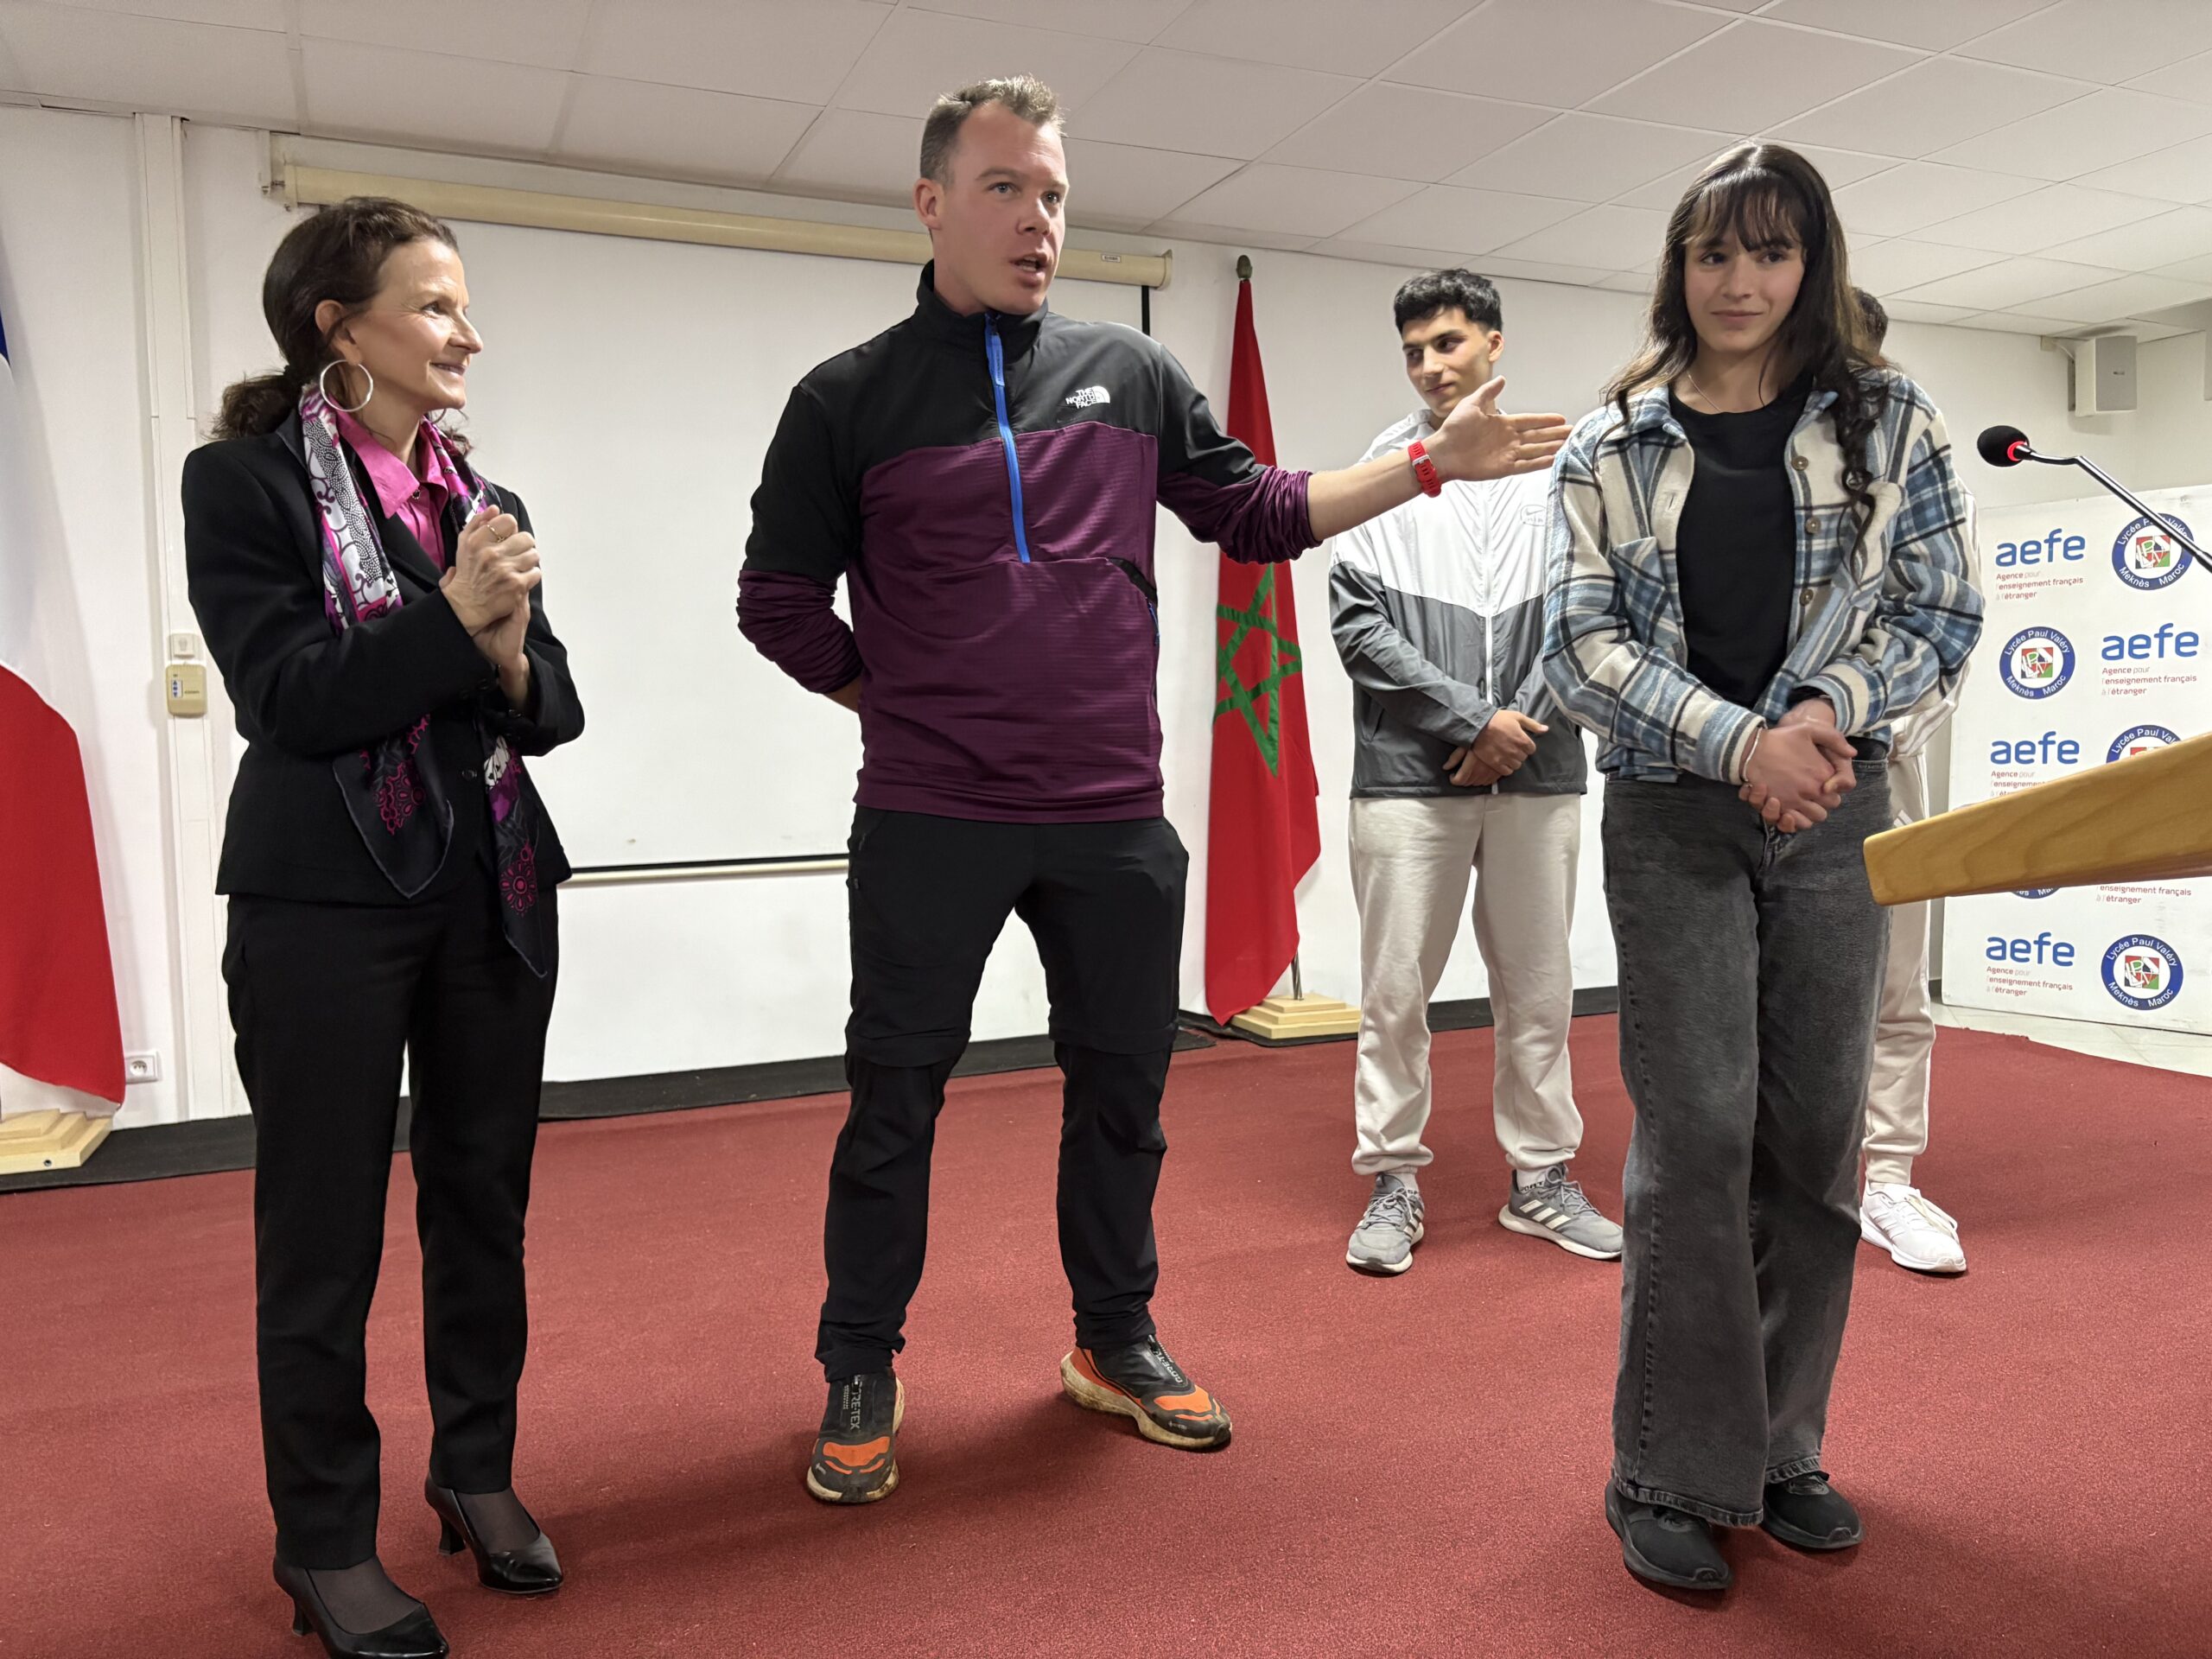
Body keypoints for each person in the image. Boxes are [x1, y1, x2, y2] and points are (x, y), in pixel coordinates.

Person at [739, 75, 1567, 1505]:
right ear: (932, 201)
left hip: (1114, 817)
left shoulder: (1132, 376)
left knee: (1123, 1098)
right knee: (895, 1103)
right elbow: (775, 600)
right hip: (932, 819)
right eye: (1005, 188)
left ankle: (1114, 1339)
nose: (1038, 220)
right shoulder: (849, 400)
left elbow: (1259, 512)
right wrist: (893, 700)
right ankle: (861, 1361)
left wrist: (1429, 467)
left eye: (1054, 193)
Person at [1542, 144, 1981, 1593]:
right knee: (1701, 1136)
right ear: (1678, 266)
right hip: (1675, 812)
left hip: (1834, 808)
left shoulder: (1886, 417)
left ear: (1814, 264)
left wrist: (1822, 722)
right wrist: (1743, 743)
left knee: (1814, 1139)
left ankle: (1784, 1447)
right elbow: (1580, 650)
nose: (1742, 281)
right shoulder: (1607, 441)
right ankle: (1667, 1466)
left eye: (1774, 252)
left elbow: (1939, 607)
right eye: (1715, 252)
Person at [185, 197, 583, 1659]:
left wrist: (508, 648)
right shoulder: (241, 484)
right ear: (336, 328)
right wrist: (456, 628)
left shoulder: (488, 499)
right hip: (321, 909)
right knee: (325, 1233)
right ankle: (326, 1544)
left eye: (466, 307)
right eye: (433, 307)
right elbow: (290, 696)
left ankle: (473, 1470)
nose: (466, 333)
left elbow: (556, 708)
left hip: (491, 892)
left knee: (484, 1205)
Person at [1330, 268, 1615, 1275]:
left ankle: (1540, 1183)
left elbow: (1595, 616)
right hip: (1408, 779)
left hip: (1538, 775)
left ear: (1495, 343)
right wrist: (1469, 718)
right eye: (1413, 351)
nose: (1429, 366)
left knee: (1539, 990)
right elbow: (1357, 626)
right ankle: (1393, 1180)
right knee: (1395, 991)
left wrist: (1518, 725)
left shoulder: (1564, 465)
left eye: (1447, 343)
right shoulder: (1385, 467)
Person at [1850, 287, 1974, 1275]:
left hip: (1886, 769)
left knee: (1898, 989)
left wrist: (1883, 730)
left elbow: (1949, 631)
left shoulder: (1920, 465)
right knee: (1766, 1000)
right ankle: (1777, 1182)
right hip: (1762, 775)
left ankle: (1887, 1180)